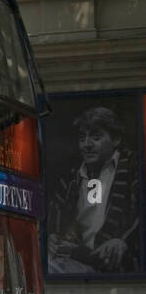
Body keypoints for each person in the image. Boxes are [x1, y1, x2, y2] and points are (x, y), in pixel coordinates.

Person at [48, 106, 139, 274]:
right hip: (75, 260)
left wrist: (123, 240)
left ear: (116, 139)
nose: (87, 145)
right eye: (82, 138)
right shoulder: (71, 176)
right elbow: (54, 222)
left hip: (115, 266)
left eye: (96, 137)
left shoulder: (134, 167)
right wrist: (52, 237)